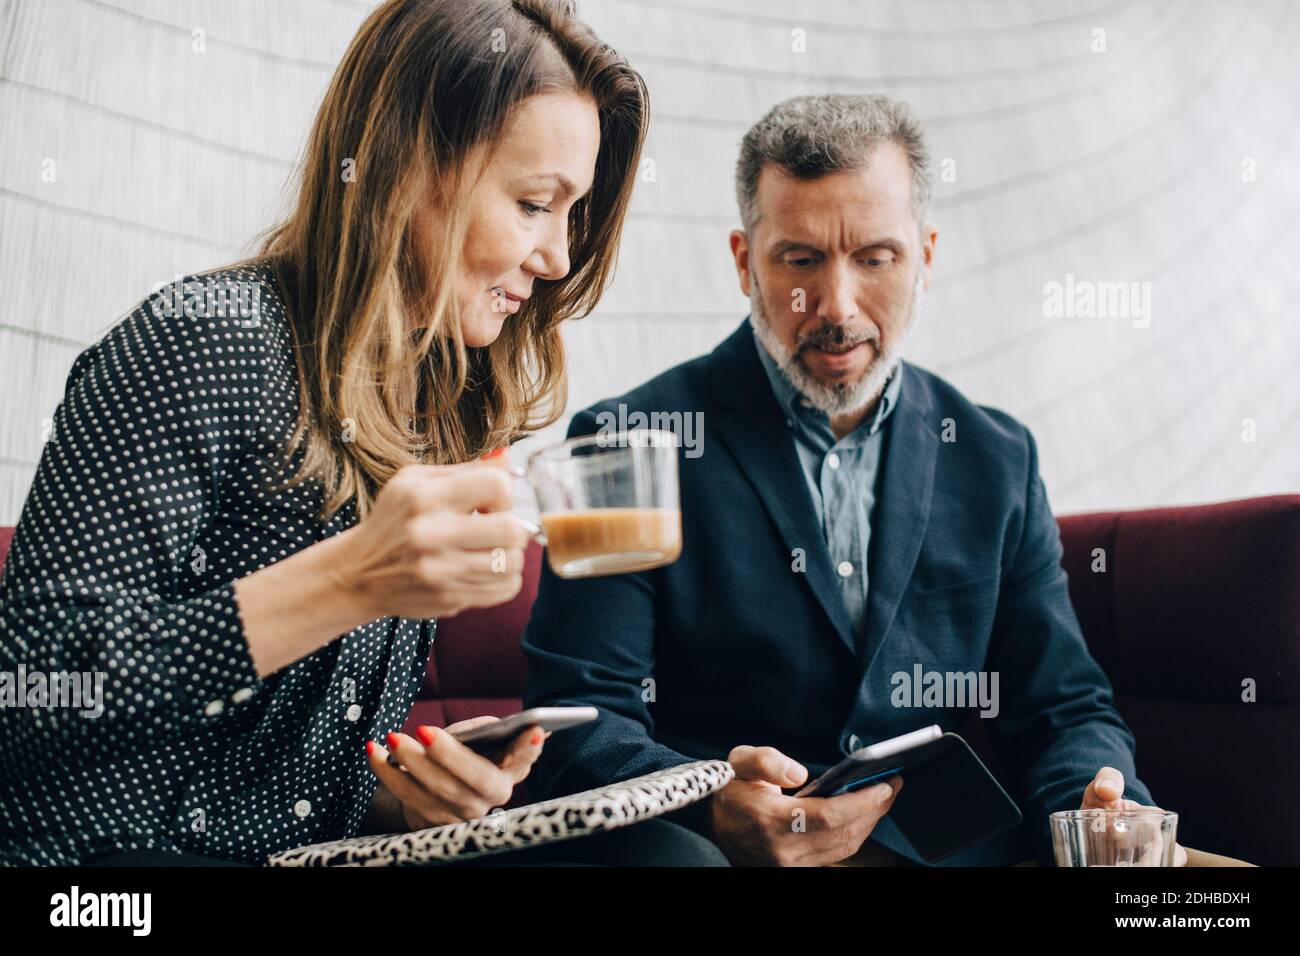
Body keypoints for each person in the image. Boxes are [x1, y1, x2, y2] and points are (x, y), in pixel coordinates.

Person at [0, 0, 722, 868]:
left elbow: (287, 781)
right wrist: (350, 577)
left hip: (307, 857)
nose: (560, 257)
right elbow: (31, 689)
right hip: (104, 865)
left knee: (667, 862)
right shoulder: (202, 339)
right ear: (407, 168)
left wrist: (398, 790)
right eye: (536, 203)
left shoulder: (436, 402)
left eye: (572, 215)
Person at [521, 92, 1193, 867]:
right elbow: (577, 718)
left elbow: (1061, 706)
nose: (836, 307)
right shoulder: (621, 444)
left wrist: (1101, 810)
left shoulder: (998, 458)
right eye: (800, 259)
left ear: (926, 257)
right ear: (744, 262)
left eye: (876, 258)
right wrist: (708, 803)